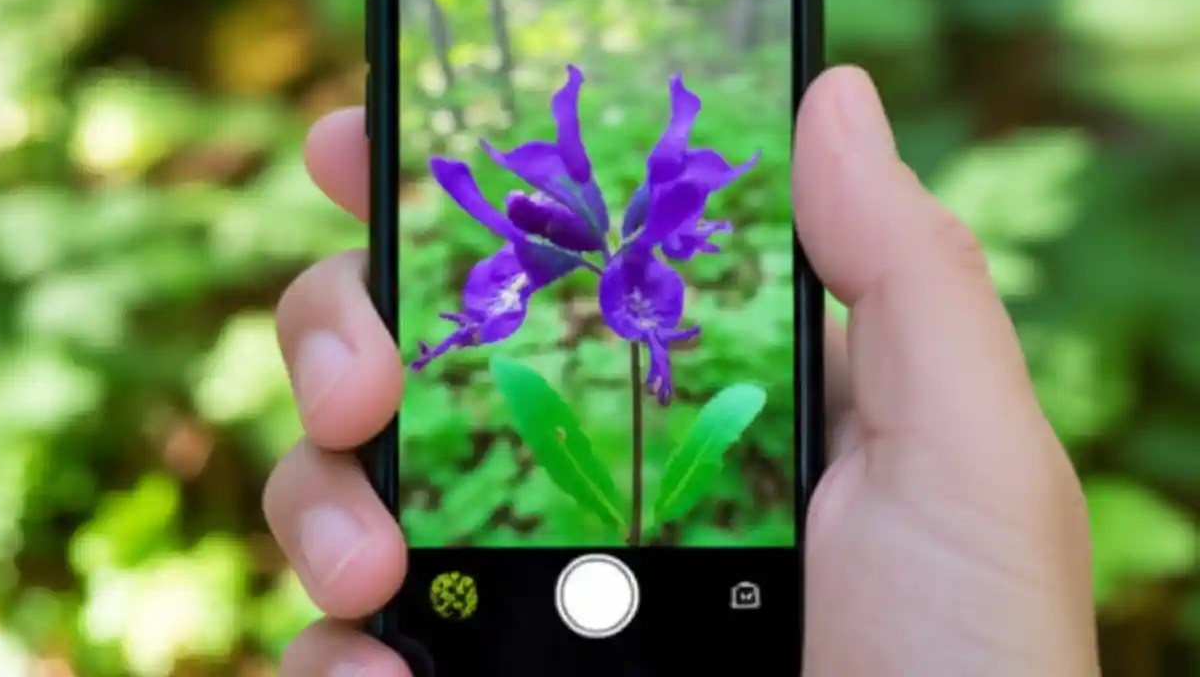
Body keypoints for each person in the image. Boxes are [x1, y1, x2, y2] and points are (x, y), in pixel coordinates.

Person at [262, 67, 1102, 676]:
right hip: (605, 265)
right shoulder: (575, 244)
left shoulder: (640, 248)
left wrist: (654, 279)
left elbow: (660, 226)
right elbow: (516, 210)